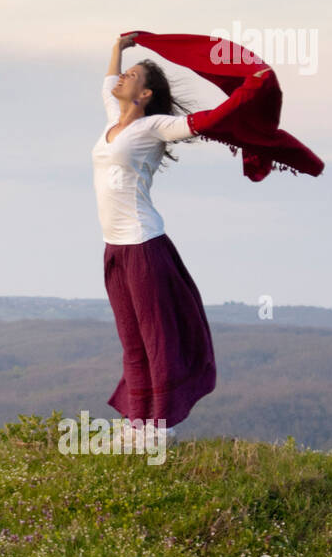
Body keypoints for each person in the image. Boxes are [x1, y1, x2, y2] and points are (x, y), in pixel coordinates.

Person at [92, 33, 258, 444]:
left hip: (145, 246)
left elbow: (203, 122)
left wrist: (250, 91)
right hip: (114, 247)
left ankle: (157, 428)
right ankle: (136, 424)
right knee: (132, 340)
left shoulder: (153, 127)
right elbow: (107, 79)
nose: (121, 78)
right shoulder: (114, 117)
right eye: (124, 73)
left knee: (155, 339)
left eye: (131, 76)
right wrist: (120, 46)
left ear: (145, 93)